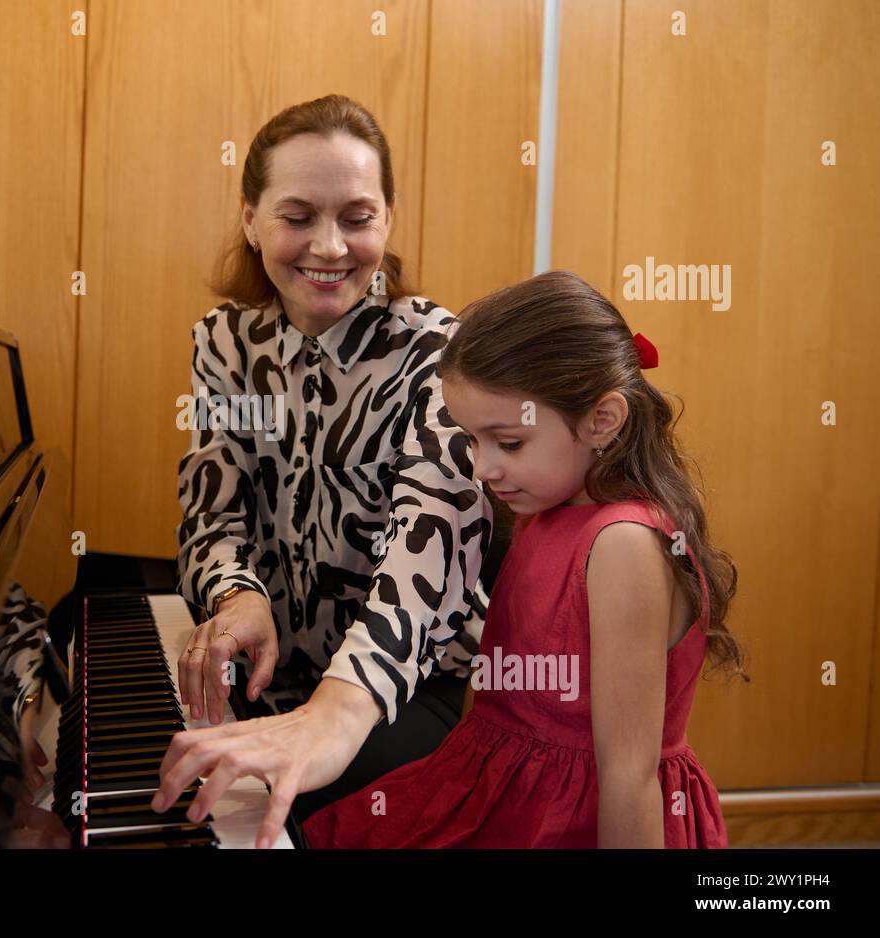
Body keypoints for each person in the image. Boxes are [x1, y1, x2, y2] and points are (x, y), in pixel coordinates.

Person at [302, 270, 746, 848]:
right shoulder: (546, 511)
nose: (483, 467)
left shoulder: (623, 545)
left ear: (601, 421)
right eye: (471, 440)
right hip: (496, 787)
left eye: (508, 442)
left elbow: (628, 775)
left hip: (575, 821)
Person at [156, 94, 493, 846]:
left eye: (357, 216)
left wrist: (340, 710)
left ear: (389, 218)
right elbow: (213, 511)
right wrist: (237, 595)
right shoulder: (226, 345)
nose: (332, 247)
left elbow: (434, 537)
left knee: (254, 812)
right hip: (273, 676)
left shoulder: (437, 352)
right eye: (299, 215)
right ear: (251, 218)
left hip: (401, 686)